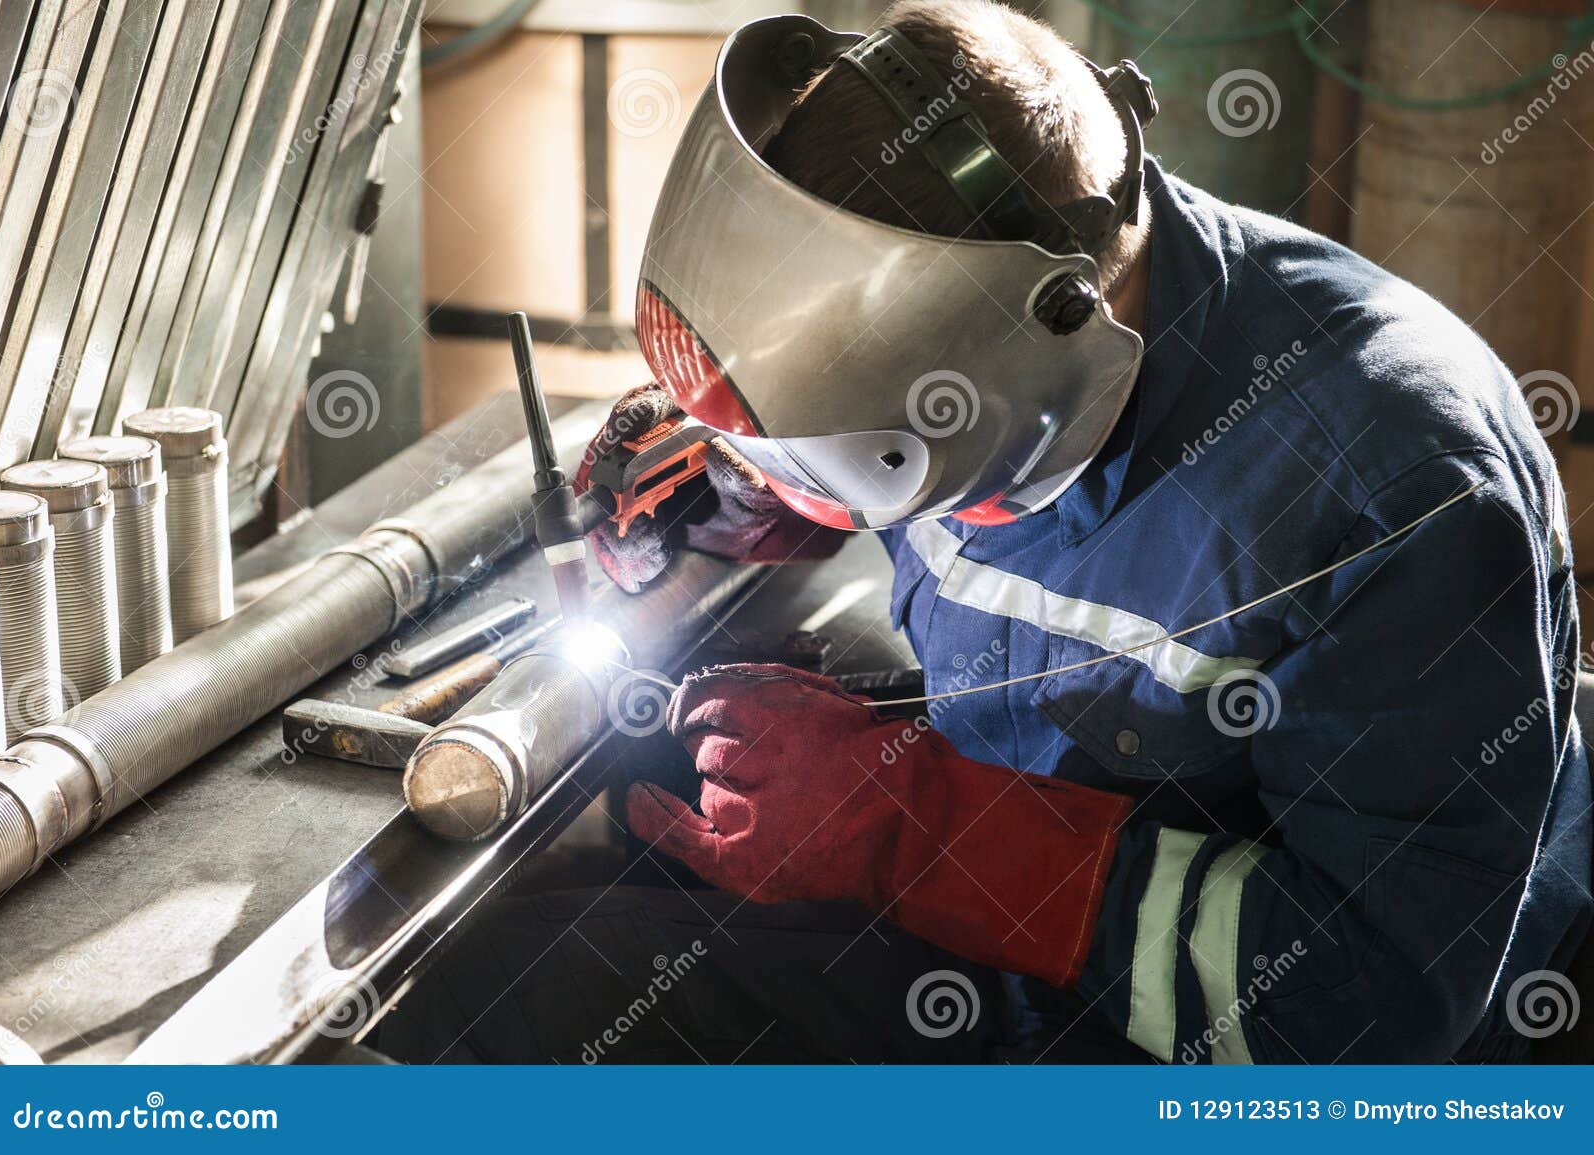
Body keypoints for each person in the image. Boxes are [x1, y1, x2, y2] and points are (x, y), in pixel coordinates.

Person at [381, 0, 1591, 1064]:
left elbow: (1366, 1012)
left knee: (521, 1008)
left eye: (848, 442)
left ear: (1027, 359)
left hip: (1215, 1048)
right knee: (597, 851)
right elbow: (921, 478)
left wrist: (912, 832)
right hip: (1008, 881)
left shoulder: (1395, 488)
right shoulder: (996, 343)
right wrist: (746, 471)